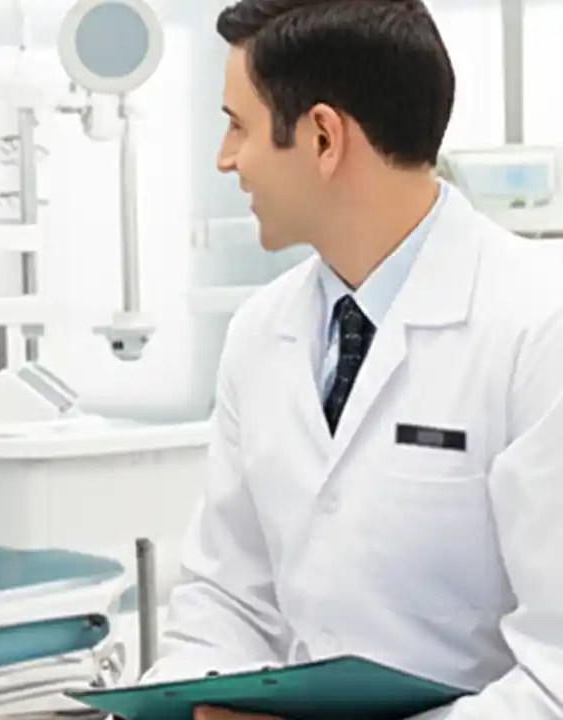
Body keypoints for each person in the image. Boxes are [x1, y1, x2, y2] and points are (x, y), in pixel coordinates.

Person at [145, 1, 563, 718]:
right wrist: (192, 698)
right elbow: (228, 599)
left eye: (239, 125)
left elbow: (556, 675)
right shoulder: (260, 333)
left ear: (323, 137)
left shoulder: (539, 326)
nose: (225, 158)